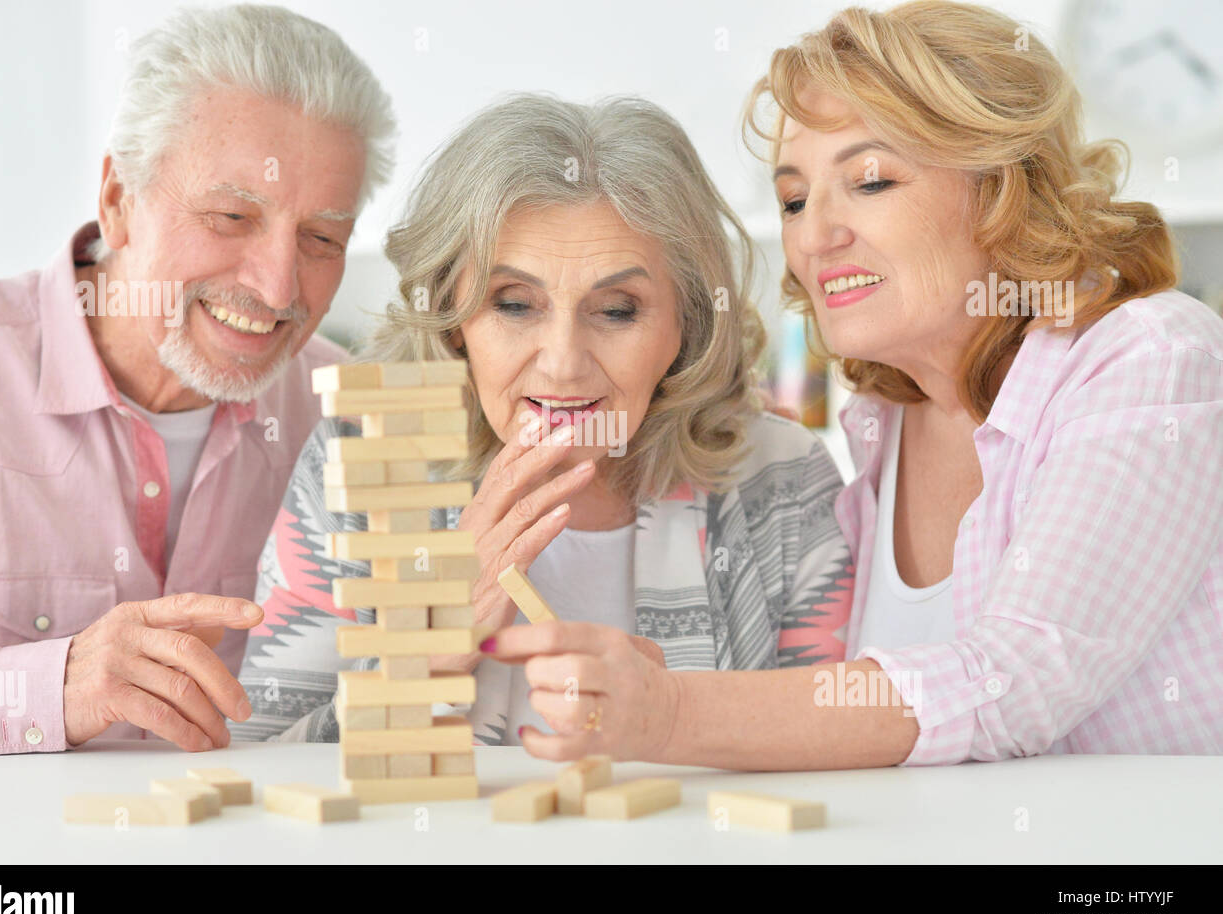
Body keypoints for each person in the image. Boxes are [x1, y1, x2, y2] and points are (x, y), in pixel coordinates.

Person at [235, 93, 856, 756]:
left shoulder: (779, 479)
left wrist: (680, 717)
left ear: (686, 325)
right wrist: (424, 661)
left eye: (617, 310)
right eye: (513, 304)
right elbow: (264, 768)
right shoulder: (360, 468)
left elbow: (846, 744)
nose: (562, 364)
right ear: (454, 319)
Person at [694, 0, 1218, 767]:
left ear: (1003, 188)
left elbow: (1012, 682)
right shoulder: (886, 417)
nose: (814, 233)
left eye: (869, 181)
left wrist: (672, 710)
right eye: (794, 199)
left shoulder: (1153, 362)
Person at [0, 4, 395, 757]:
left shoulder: (351, 423)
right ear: (118, 201)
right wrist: (54, 683)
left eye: (320, 238)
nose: (278, 289)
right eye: (232, 216)